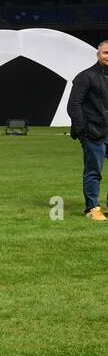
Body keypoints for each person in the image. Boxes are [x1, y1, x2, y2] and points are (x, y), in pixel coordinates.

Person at [67, 40, 108, 221]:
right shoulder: (86, 76)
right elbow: (74, 105)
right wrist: (83, 129)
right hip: (93, 132)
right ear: (98, 54)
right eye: (106, 52)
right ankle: (92, 208)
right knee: (94, 171)